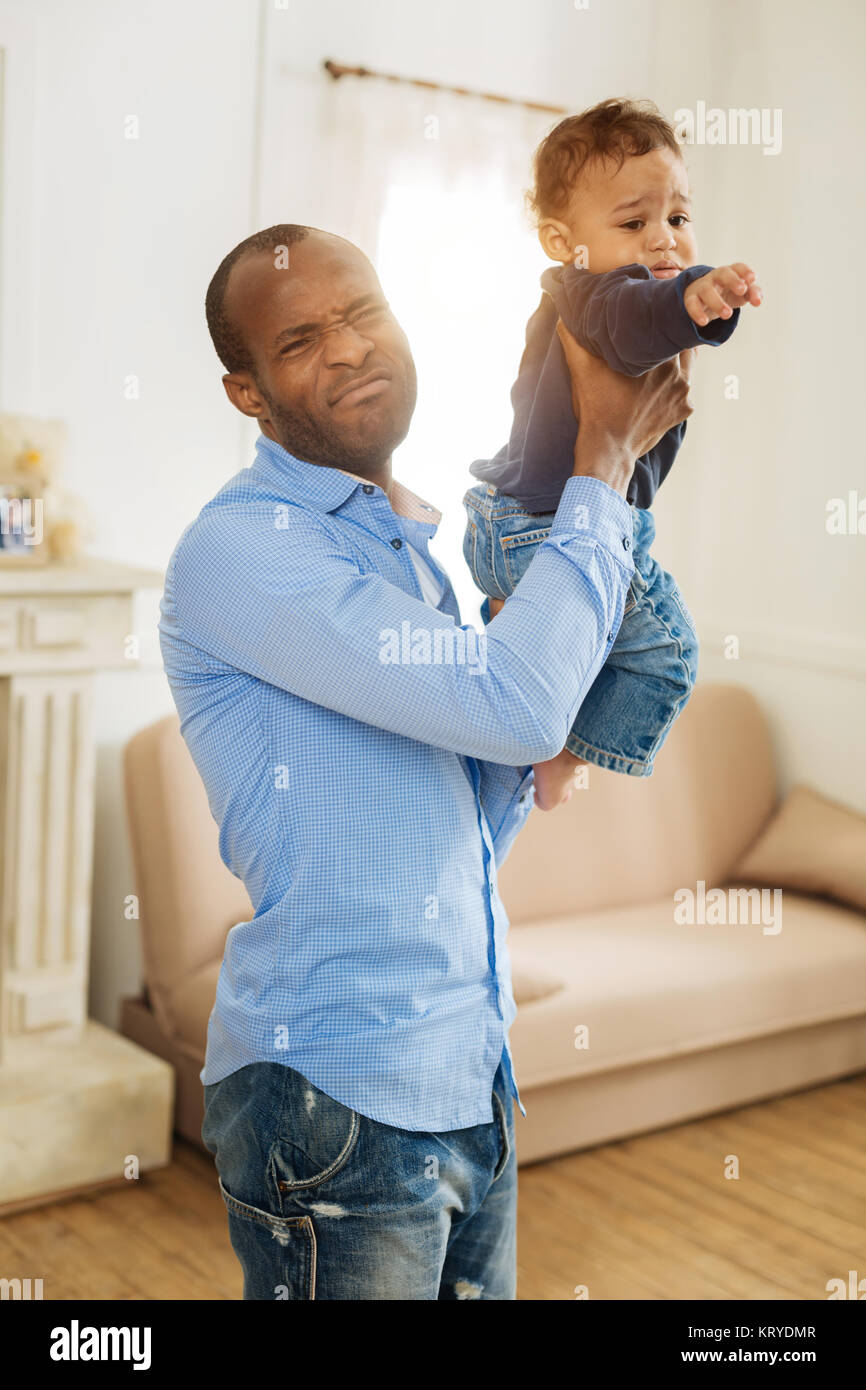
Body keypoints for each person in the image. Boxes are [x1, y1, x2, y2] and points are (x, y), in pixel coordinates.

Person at [158, 223, 693, 1299]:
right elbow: (514, 696)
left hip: (464, 1072)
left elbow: (461, 815)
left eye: (362, 312)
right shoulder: (244, 550)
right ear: (246, 393)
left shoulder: (408, 554)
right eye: (301, 339)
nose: (350, 348)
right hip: (334, 1099)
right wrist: (601, 458)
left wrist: (531, 759)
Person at [465, 99, 762, 809]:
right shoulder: (591, 295)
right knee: (668, 659)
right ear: (561, 241)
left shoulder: (595, 295)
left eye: (679, 219)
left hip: (520, 524)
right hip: (543, 528)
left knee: (610, 639)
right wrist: (699, 295)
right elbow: (635, 325)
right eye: (634, 223)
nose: (664, 240)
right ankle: (560, 757)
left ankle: (516, 621)